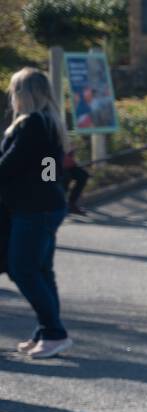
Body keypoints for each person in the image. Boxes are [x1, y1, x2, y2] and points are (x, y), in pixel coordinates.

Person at [0, 67, 72, 359]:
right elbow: (47, 171)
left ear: (24, 93)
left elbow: (8, 166)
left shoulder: (31, 124)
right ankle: (48, 330)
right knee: (41, 270)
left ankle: (54, 332)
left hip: (34, 208)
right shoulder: (50, 123)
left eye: (15, 90)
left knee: (23, 270)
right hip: (46, 205)